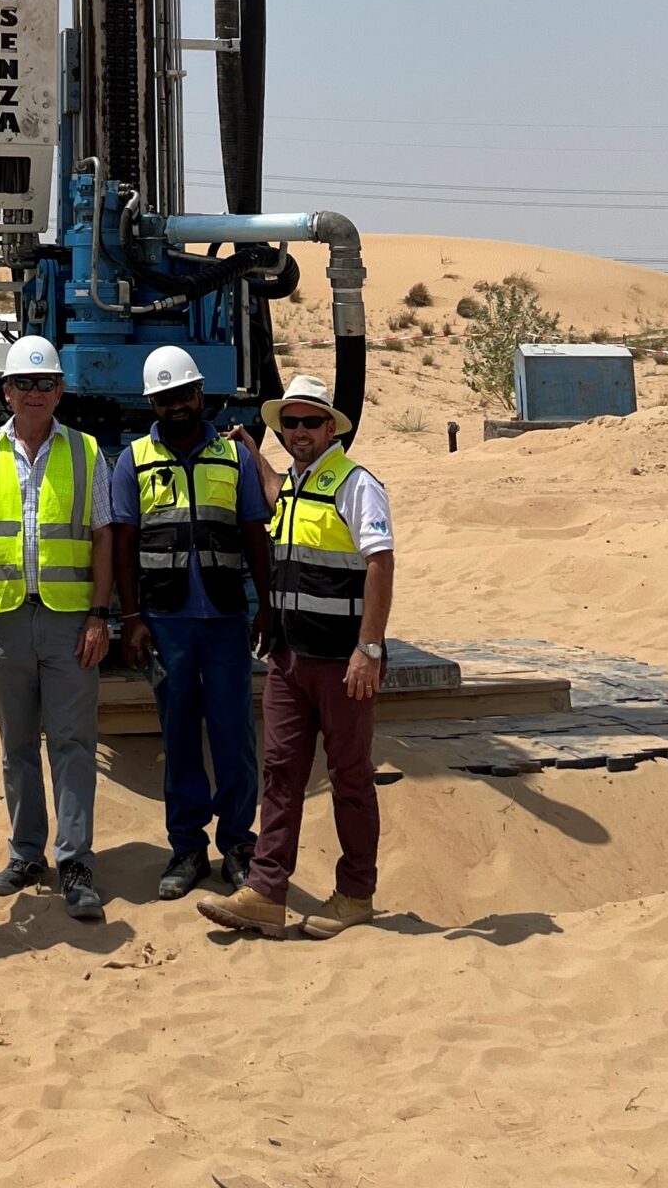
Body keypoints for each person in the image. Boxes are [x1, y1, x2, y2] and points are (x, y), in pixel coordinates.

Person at [197, 372, 394, 941]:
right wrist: (253, 455)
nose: (299, 430)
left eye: (310, 421)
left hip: (342, 664)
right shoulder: (298, 483)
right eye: (290, 421)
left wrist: (370, 647)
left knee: (350, 777)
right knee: (280, 774)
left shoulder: (355, 485)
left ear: (331, 427)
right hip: (289, 660)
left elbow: (380, 564)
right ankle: (265, 892)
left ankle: (356, 894)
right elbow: (276, 494)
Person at [0, 334, 113, 922]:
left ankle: (75, 862)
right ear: (6, 392)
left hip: (69, 622)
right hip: (4, 619)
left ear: (60, 391)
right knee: (16, 744)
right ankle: (25, 853)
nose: (34, 393)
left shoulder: (88, 452)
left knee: (72, 742)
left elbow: (103, 536)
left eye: (45, 384)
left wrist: (99, 615)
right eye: (23, 384)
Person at [111, 344, 272, 901]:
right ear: (152, 403)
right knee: (178, 737)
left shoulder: (235, 458)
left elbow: (255, 532)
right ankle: (186, 848)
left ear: (199, 394)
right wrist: (130, 618)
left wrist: (267, 606)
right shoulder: (132, 461)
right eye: (165, 397)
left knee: (233, 735)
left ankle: (238, 844)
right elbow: (124, 544)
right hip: (165, 622)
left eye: (184, 394)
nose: (176, 405)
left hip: (226, 617)